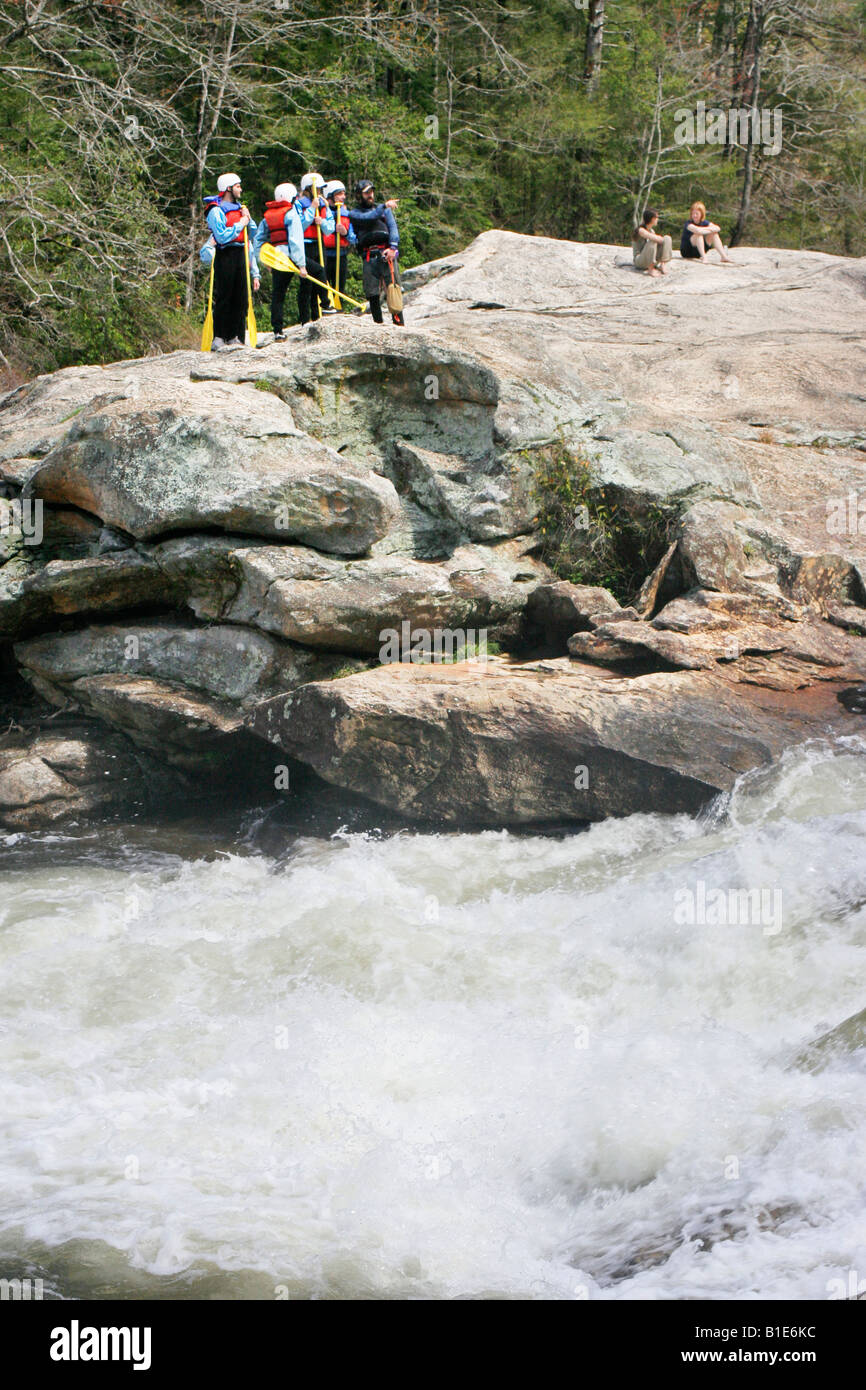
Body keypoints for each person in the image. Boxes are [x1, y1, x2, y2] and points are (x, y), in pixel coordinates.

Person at [203, 172, 260, 351]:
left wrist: (247, 219)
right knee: (224, 296)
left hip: (241, 254)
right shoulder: (215, 210)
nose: (240, 189)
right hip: (225, 254)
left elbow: (252, 233)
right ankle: (219, 336)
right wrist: (240, 223)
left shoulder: (240, 208)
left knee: (241, 297)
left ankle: (236, 336)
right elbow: (221, 236)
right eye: (237, 186)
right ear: (228, 188)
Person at [253, 181, 307, 340]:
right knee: (317, 272)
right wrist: (302, 265)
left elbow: (258, 240)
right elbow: (295, 242)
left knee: (278, 295)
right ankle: (316, 312)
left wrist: (263, 261)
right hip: (292, 259)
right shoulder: (291, 214)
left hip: (277, 261)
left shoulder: (267, 218)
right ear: (292, 198)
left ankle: (278, 330)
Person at [346, 179, 404, 326]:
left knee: (393, 288)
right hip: (369, 256)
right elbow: (368, 218)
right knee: (372, 293)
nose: (370, 195)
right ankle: (378, 324)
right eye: (366, 193)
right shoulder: (354, 214)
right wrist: (384, 206)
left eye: (371, 192)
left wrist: (393, 248)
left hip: (386, 253)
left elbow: (393, 228)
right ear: (359, 195)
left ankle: (399, 324)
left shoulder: (384, 210)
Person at [295, 172, 331, 324]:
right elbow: (299, 226)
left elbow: (329, 229)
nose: (320, 192)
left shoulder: (324, 205)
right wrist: (311, 210)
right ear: (308, 189)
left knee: (320, 280)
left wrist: (321, 222)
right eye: (317, 189)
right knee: (306, 284)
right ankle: (305, 319)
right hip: (304, 245)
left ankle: (318, 316)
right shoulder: (298, 204)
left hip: (318, 244)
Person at [321, 180, 356, 309]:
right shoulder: (321, 212)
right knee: (324, 287)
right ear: (331, 196)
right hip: (324, 255)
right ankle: (325, 309)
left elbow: (353, 239)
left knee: (339, 287)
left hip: (340, 255)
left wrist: (345, 233)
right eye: (340, 194)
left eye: (343, 194)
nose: (343, 197)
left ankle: (339, 307)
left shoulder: (346, 214)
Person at [632, 209, 672, 277]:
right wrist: (660, 239)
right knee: (653, 241)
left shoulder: (651, 230)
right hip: (639, 260)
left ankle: (663, 264)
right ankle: (651, 269)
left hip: (648, 258)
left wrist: (664, 240)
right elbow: (654, 238)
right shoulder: (640, 230)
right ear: (652, 219)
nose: (657, 219)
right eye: (656, 218)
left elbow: (661, 240)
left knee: (667, 238)